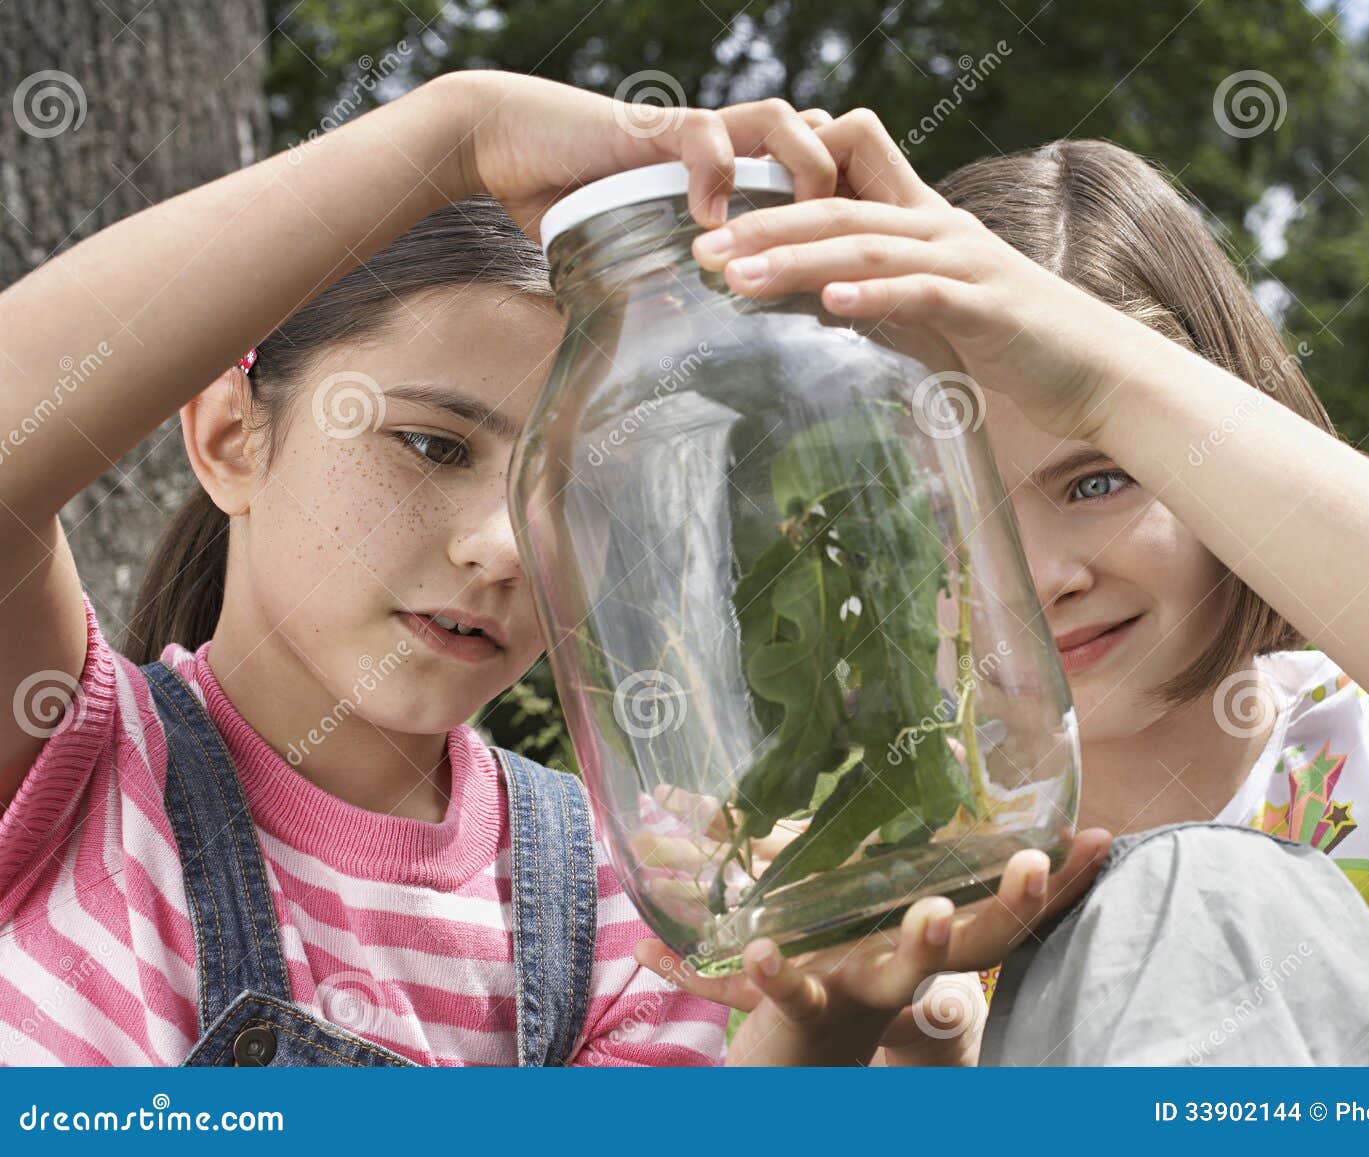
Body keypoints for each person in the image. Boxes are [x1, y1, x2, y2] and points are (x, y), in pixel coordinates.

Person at [0, 73, 1107, 1067]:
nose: (500, 544)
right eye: (432, 444)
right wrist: (455, 131)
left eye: (562, 486)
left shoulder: (617, 905)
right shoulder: (74, 762)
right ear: (233, 437)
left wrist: (822, 1017)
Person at [654, 120, 1369, 1066]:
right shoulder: (913, 869)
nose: (1040, 581)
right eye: (948, 512)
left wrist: (1108, 377)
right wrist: (832, 1024)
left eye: (1098, 479)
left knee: (1197, 887)